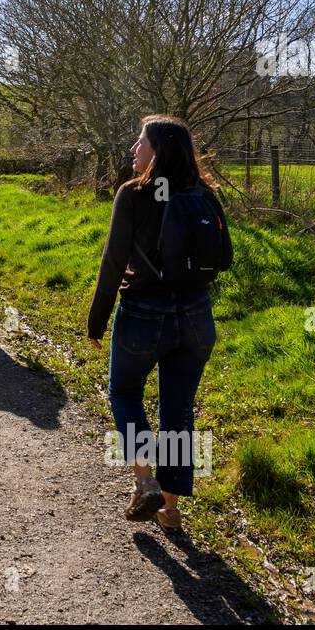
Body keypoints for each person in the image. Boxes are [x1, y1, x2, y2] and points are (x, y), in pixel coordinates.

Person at [86, 114, 232, 532]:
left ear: (159, 150)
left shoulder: (132, 195)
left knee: (125, 392)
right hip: (196, 317)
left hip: (143, 317)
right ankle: (170, 510)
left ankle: (145, 479)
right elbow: (224, 257)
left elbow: (113, 261)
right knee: (178, 412)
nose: (134, 149)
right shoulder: (204, 195)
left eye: (140, 141)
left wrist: (97, 321)